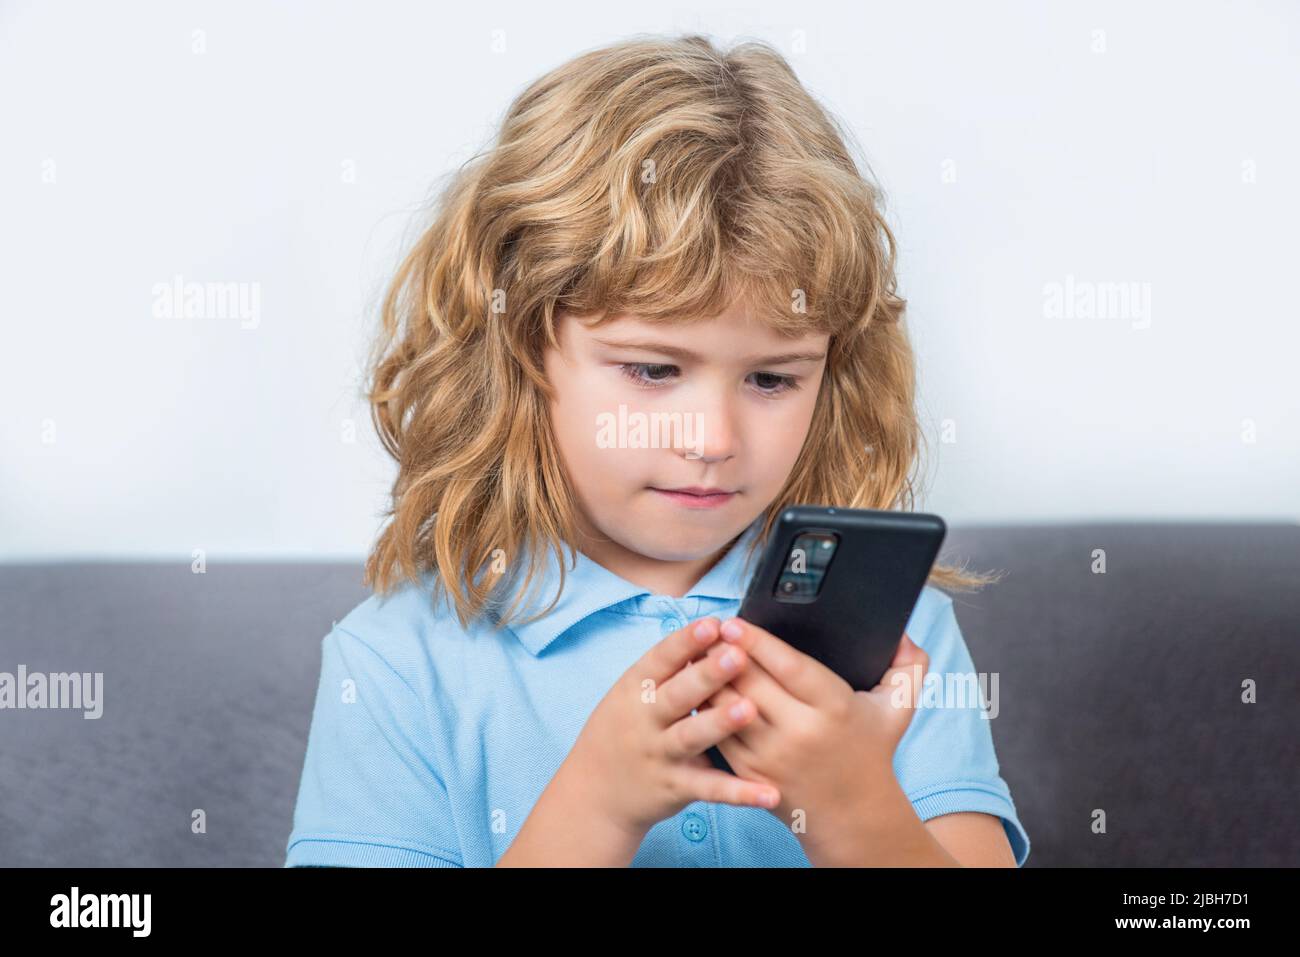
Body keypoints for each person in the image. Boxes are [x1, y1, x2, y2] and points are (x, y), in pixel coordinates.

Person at [285, 33, 1030, 867]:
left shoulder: (894, 630)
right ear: (525, 347)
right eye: (652, 368)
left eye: (773, 380)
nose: (711, 441)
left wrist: (847, 798)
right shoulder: (396, 662)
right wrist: (597, 803)